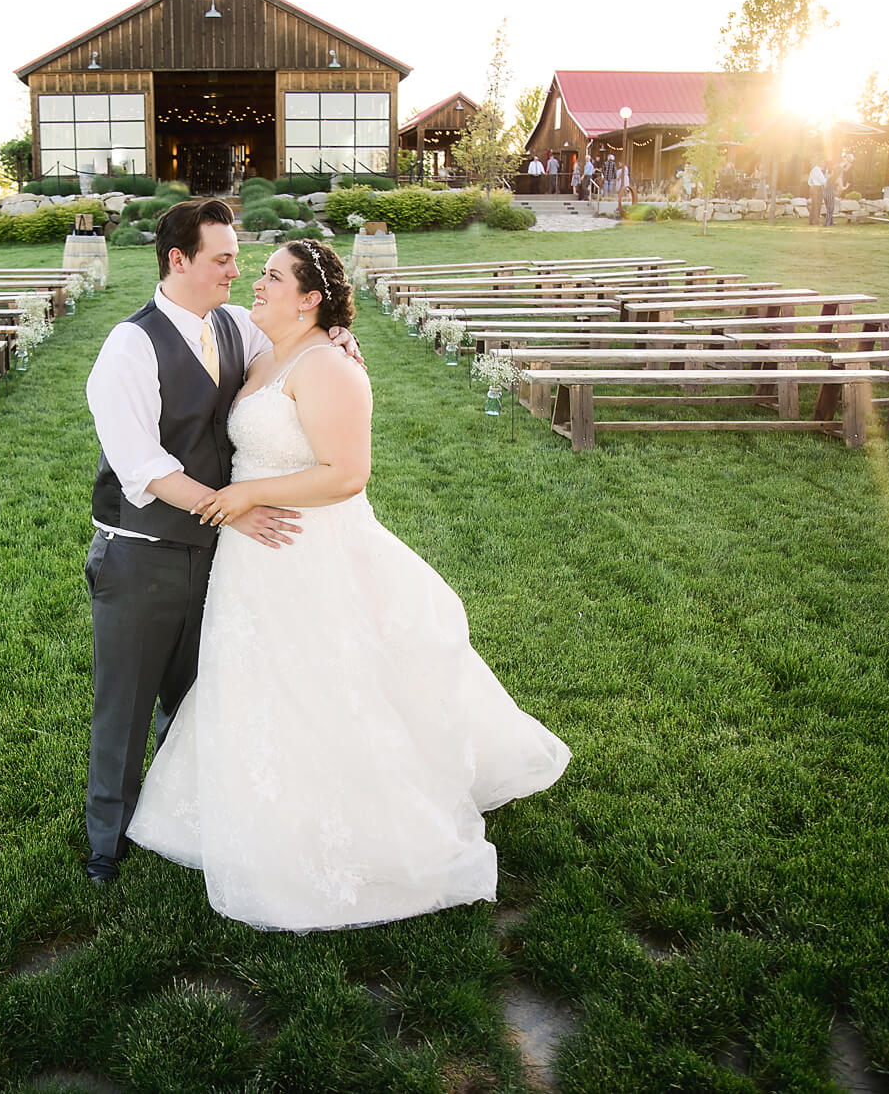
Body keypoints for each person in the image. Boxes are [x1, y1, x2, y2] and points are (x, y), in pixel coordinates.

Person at [126, 241, 571, 932]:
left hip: (309, 551)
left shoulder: (330, 367)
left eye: (273, 276)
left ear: (309, 298)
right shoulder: (262, 351)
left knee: (322, 685)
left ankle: (357, 827)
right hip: (254, 561)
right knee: (257, 682)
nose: (256, 282)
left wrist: (246, 497)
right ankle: (259, 810)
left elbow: (345, 474)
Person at [81, 199, 359, 885]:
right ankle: (106, 843)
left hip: (218, 556)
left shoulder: (236, 326)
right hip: (141, 552)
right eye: (224, 260)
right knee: (127, 703)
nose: (238, 272)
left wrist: (345, 341)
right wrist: (230, 510)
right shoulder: (129, 346)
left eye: (241, 259)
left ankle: (181, 818)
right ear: (178, 261)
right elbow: (142, 464)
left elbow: (306, 351)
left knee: (200, 696)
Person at [807, 160, 827, 226]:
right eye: (823, 163)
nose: (824, 165)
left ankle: (811, 221)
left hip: (812, 187)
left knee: (813, 205)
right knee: (817, 206)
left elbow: (809, 181)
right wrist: (827, 178)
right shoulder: (818, 171)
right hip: (817, 188)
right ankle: (816, 222)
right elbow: (823, 181)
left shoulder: (813, 170)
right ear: (820, 164)